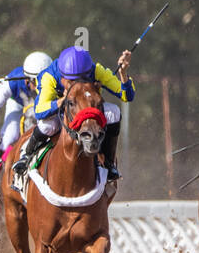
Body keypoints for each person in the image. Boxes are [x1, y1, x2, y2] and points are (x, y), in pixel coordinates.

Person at [12, 45, 133, 186]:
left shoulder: (95, 70)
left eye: (83, 80)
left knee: (114, 112)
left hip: (87, 111)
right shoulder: (49, 76)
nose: (77, 85)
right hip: (63, 111)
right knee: (47, 126)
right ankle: (26, 156)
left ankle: (109, 163)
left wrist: (123, 74)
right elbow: (39, 111)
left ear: (89, 72)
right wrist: (60, 102)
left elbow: (127, 96)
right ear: (62, 76)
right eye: (71, 82)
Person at [0, 51, 50, 171]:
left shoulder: (54, 82)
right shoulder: (12, 81)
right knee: (10, 135)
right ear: (26, 79)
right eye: (37, 82)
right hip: (17, 104)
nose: (41, 86)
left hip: (41, 107)